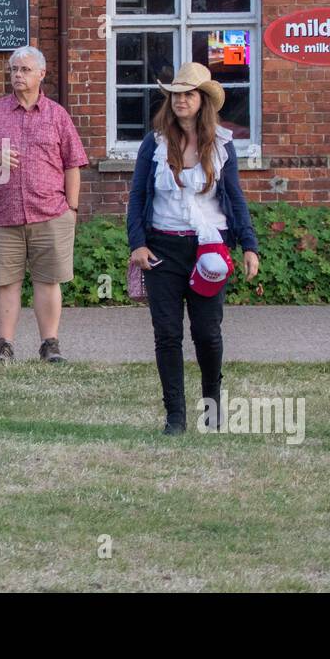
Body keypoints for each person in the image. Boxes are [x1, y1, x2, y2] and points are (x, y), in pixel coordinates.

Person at [126, 62, 260, 435]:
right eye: (176, 95)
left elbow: (234, 196)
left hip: (209, 249)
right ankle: (175, 417)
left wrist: (249, 244)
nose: (181, 100)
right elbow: (137, 196)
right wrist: (137, 243)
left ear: (203, 101)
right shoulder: (154, 143)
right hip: (162, 248)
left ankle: (212, 410)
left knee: (207, 332)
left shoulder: (221, 144)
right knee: (167, 333)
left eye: (189, 94)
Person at [0, 45, 88, 364]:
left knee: (48, 281)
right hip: (2, 214)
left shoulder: (57, 115)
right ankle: (3, 345)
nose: (17, 75)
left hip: (50, 212)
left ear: (41, 74)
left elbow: (72, 163)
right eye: (13, 70)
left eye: (24, 70)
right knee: (6, 282)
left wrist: (72, 209)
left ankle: (50, 344)